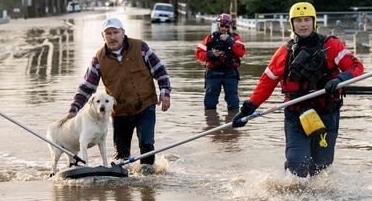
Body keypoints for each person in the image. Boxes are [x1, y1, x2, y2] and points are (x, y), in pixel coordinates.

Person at [231, 2, 364, 177]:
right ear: (292, 24)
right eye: (299, 20)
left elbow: (356, 67)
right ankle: (293, 200)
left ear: (314, 21)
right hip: (296, 115)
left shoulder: (332, 45)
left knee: (321, 168)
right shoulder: (283, 53)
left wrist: (340, 79)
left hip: (327, 114)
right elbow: (266, 83)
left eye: (307, 20)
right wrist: (247, 110)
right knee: (297, 165)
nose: (303, 24)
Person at [59, 17, 171, 167]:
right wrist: (74, 110)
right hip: (119, 111)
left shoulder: (140, 47)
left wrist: (164, 92)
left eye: (115, 32)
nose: (112, 37)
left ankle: (148, 180)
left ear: (123, 32)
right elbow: (87, 87)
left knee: (147, 144)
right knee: (121, 153)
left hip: (145, 105)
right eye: (108, 33)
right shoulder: (98, 59)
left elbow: (160, 70)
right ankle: (122, 179)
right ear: (103, 36)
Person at [196, 13, 245, 112]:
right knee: (210, 101)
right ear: (218, 25)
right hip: (213, 72)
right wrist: (211, 54)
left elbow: (241, 52)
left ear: (230, 26)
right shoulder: (210, 38)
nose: (224, 28)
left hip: (230, 72)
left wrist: (230, 42)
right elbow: (199, 54)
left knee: (233, 101)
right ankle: (211, 122)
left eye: (226, 26)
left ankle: (232, 121)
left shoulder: (235, 39)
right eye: (222, 26)